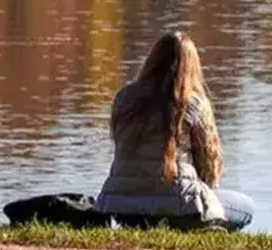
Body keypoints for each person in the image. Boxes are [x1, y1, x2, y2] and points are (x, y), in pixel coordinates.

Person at [94, 30, 255, 231]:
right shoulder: (194, 104)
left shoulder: (124, 99)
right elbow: (210, 167)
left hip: (122, 207)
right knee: (246, 206)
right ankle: (200, 229)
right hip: (179, 208)